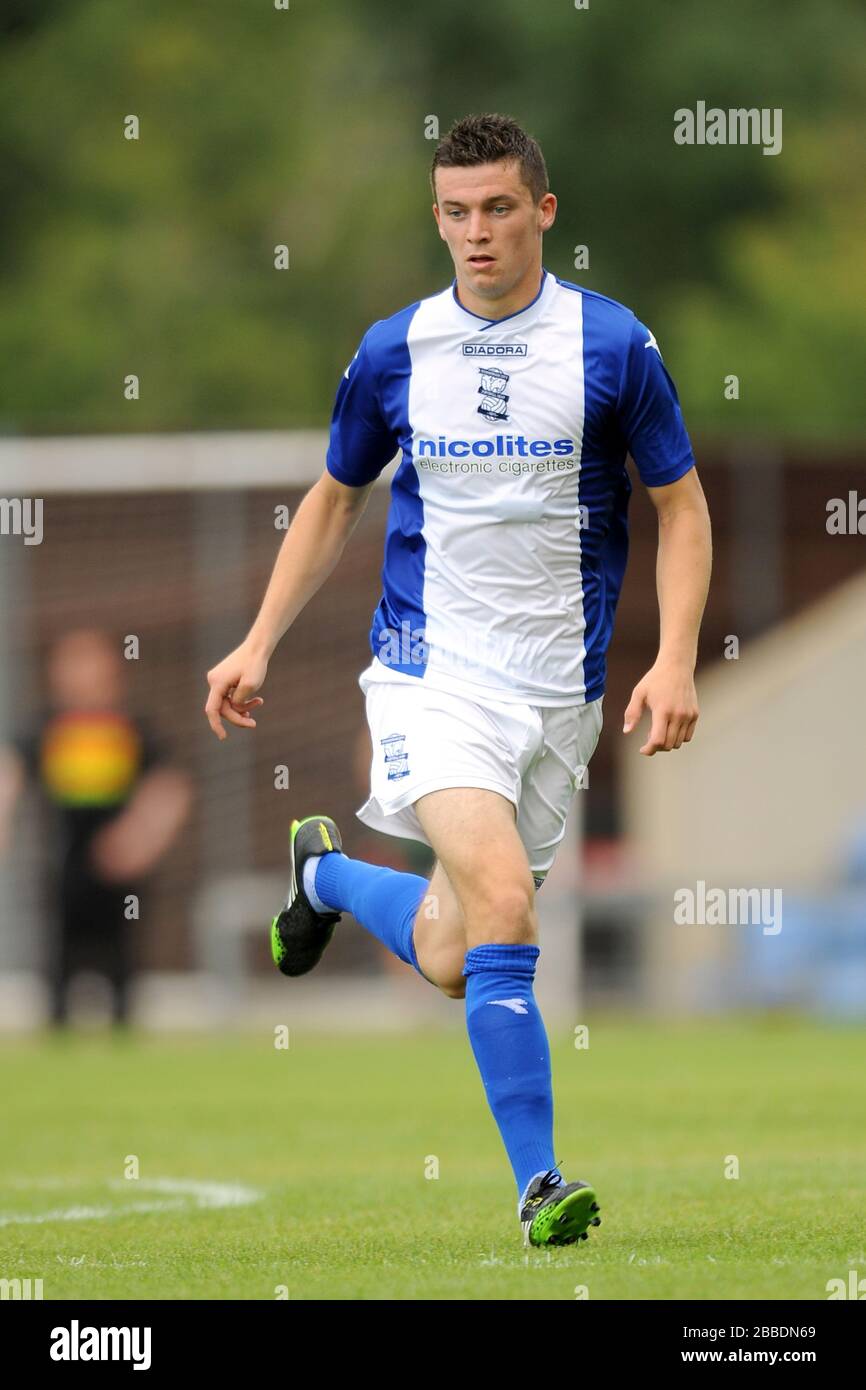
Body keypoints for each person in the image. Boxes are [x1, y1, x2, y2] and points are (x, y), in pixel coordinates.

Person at [204, 113, 712, 1247]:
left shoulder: (613, 345)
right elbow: (334, 498)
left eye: (496, 208)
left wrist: (675, 656)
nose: (475, 232)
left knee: (452, 951)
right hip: (430, 677)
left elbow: (680, 507)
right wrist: (258, 640)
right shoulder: (395, 350)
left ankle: (327, 878)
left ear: (543, 210)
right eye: (453, 212)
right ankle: (539, 1185)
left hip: (560, 695)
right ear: (435, 219)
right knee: (505, 905)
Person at [0, 628, 192, 1027]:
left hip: (120, 872)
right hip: (65, 867)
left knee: (123, 960)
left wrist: (138, 838)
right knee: (59, 963)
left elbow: (169, 787)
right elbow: (10, 773)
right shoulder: (48, 729)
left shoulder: (132, 730)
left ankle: (123, 1027)